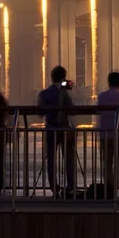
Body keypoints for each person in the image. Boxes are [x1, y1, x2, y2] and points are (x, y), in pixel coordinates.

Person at [37, 66, 77, 197]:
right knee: (69, 158)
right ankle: (71, 185)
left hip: (50, 128)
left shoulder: (44, 93)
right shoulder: (64, 93)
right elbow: (71, 109)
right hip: (64, 128)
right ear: (63, 78)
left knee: (51, 159)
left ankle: (54, 187)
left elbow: (40, 112)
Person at [96, 72, 119, 198]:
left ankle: (110, 189)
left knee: (107, 164)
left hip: (105, 134)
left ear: (108, 82)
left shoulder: (101, 96)